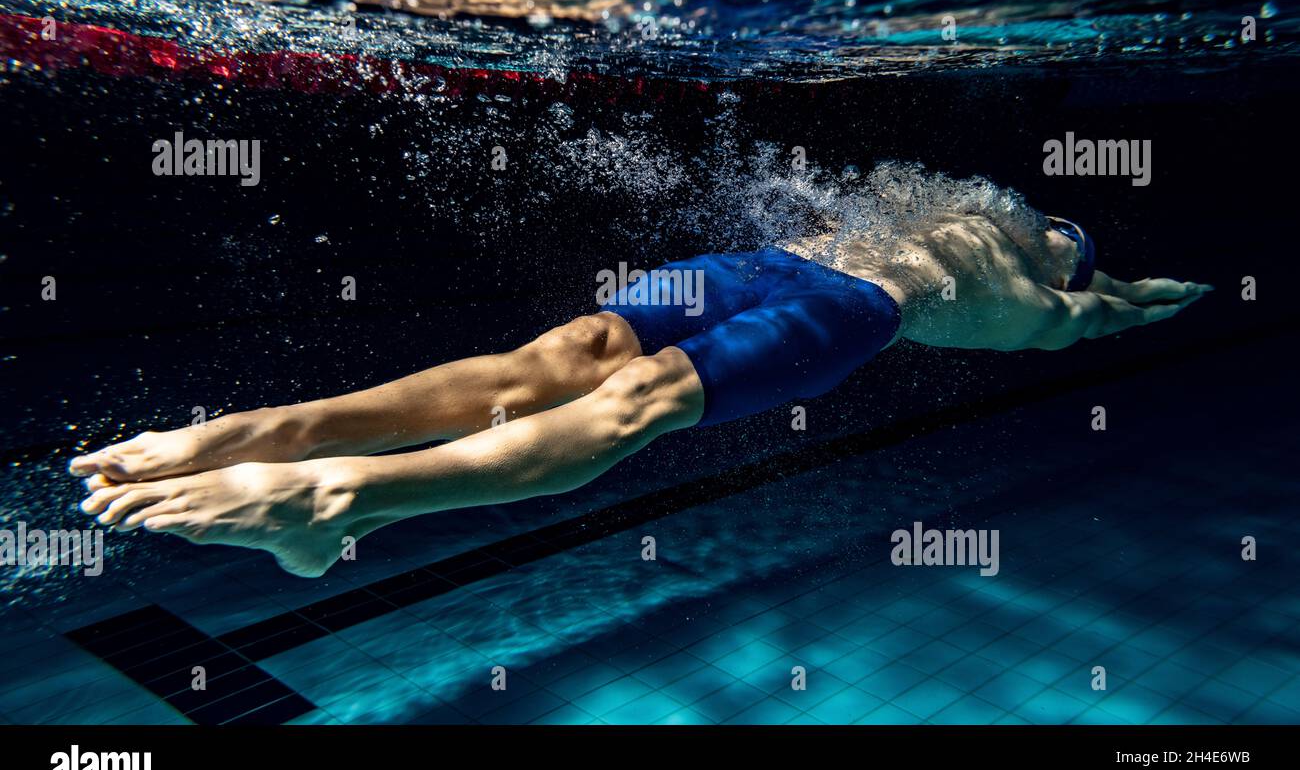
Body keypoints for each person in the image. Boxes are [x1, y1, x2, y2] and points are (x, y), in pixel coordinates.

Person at [71, 204, 1210, 576]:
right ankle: (292, 464)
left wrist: (1147, 296)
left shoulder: (1038, 290)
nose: (1045, 226)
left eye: (1064, 235)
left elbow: (1104, 305)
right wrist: (1139, 292)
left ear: (1064, 256)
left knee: (604, 377)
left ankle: (299, 468)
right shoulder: (1025, 276)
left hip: (802, 283)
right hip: (809, 285)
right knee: (598, 375)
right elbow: (1102, 297)